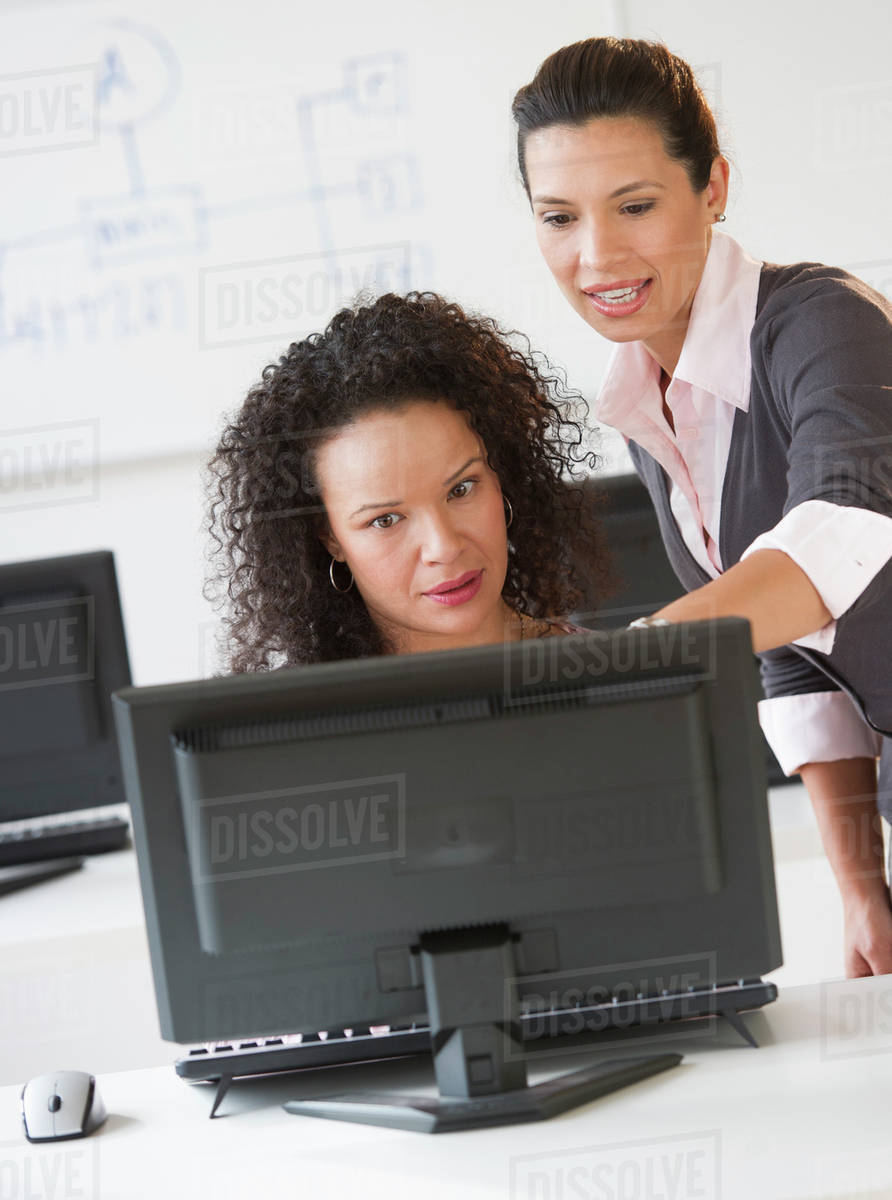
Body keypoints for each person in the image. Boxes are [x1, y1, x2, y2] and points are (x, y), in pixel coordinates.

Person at [512, 36, 892, 977]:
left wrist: (629, 660)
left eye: (634, 206)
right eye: (559, 217)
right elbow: (794, 662)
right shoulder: (648, 396)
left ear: (712, 188)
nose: (596, 255)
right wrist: (861, 892)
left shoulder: (821, 324)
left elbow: (841, 537)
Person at [205, 290, 608, 669]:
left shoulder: (606, 675)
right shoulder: (295, 730)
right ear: (330, 538)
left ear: (500, 475)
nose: (444, 548)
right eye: (385, 519)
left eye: (461, 489)